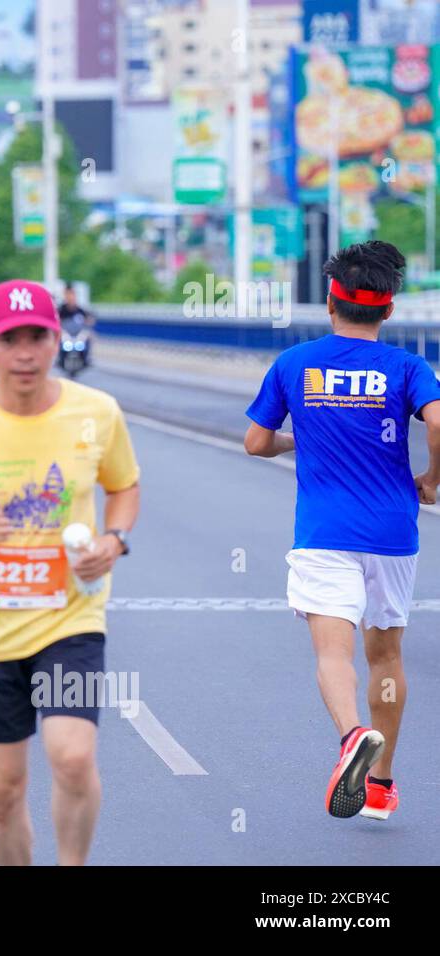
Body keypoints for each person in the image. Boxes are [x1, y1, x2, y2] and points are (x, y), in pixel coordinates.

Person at [0, 279, 140, 866]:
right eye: (11, 339)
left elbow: (124, 487)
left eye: (38, 336)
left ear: (56, 339)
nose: (26, 352)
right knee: (3, 790)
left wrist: (114, 540)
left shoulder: (98, 412)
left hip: (71, 619)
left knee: (72, 756)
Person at [245, 240, 440, 822]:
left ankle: (353, 734)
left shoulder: (295, 363)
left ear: (331, 303)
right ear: (389, 310)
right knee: (386, 656)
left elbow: (256, 442)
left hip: (325, 533)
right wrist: (432, 476)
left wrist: (293, 439)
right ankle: (380, 784)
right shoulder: (408, 367)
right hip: (393, 532)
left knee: (335, 652)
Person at [57, 284, 95, 369]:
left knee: (87, 337)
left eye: (72, 294)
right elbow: (55, 319)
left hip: (77, 334)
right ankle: (60, 358)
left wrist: (89, 322)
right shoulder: (61, 310)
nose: (70, 297)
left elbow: (88, 319)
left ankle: (86, 358)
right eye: (68, 294)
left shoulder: (79, 309)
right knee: (59, 338)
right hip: (66, 333)